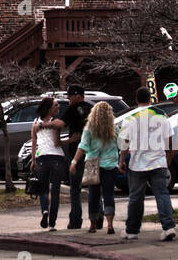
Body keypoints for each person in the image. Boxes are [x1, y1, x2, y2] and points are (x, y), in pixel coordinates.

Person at [117, 86, 177, 241]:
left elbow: (125, 143)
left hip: (138, 164)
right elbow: (169, 139)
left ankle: (132, 231)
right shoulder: (161, 115)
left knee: (136, 198)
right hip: (158, 162)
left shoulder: (130, 118)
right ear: (150, 99)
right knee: (162, 194)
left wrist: (122, 161)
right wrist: (167, 155)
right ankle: (169, 226)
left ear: (136, 100)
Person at [72, 100, 119, 235]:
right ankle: (110, 225)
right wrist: (121, 162)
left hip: (93, 166)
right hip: (110, 166)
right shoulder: (114, 128)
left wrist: (74, 161)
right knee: (109, 195)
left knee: (93, 196)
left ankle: (93, 225)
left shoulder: (89, 128)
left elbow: (83, 146)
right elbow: (120, 145)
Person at [51, 84, 92, 229]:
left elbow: (59, 124)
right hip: (93, 152)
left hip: (77, 153)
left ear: (78, 96)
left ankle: (75, 220)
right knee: (94, 185)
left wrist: (59, 140)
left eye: (70, 96)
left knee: (75, 188)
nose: (68, 99)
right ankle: (97, 217)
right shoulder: (93, 109)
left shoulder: (72, 109)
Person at [30, 96, 66, 230]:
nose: (58, 107)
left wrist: (33, 160)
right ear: (49, 108)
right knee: (55, 192)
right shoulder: (55, 122)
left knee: (43, 189)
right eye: (56, 105)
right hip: (56, 157)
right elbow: (56, 142)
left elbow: (34, 143)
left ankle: (45, 211)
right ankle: (52, 224)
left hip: (41, 158)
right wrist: (67, 141)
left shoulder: (35, 122)